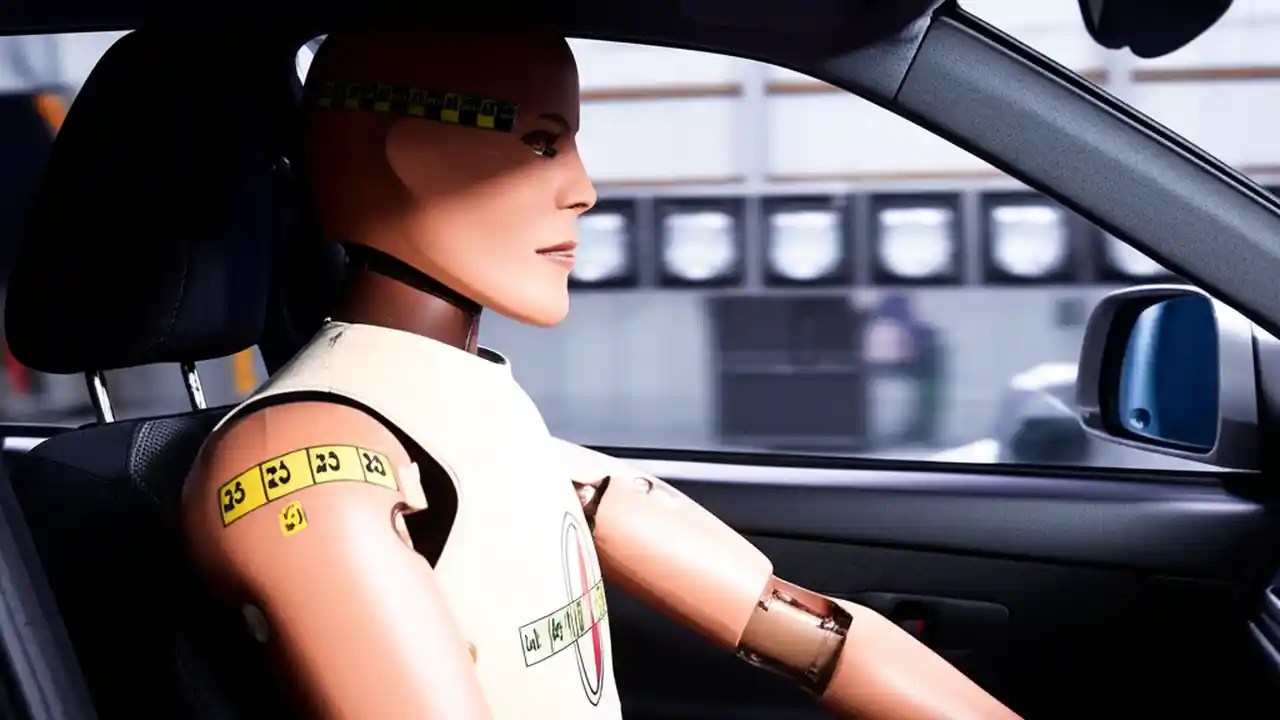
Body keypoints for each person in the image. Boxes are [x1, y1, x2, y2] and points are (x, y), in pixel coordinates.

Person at [181, 24, 1018, 720]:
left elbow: (799, 631)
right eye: (541, 142)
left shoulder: (473, 418)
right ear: (413, 153)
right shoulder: (303, 465)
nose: (583, 189)